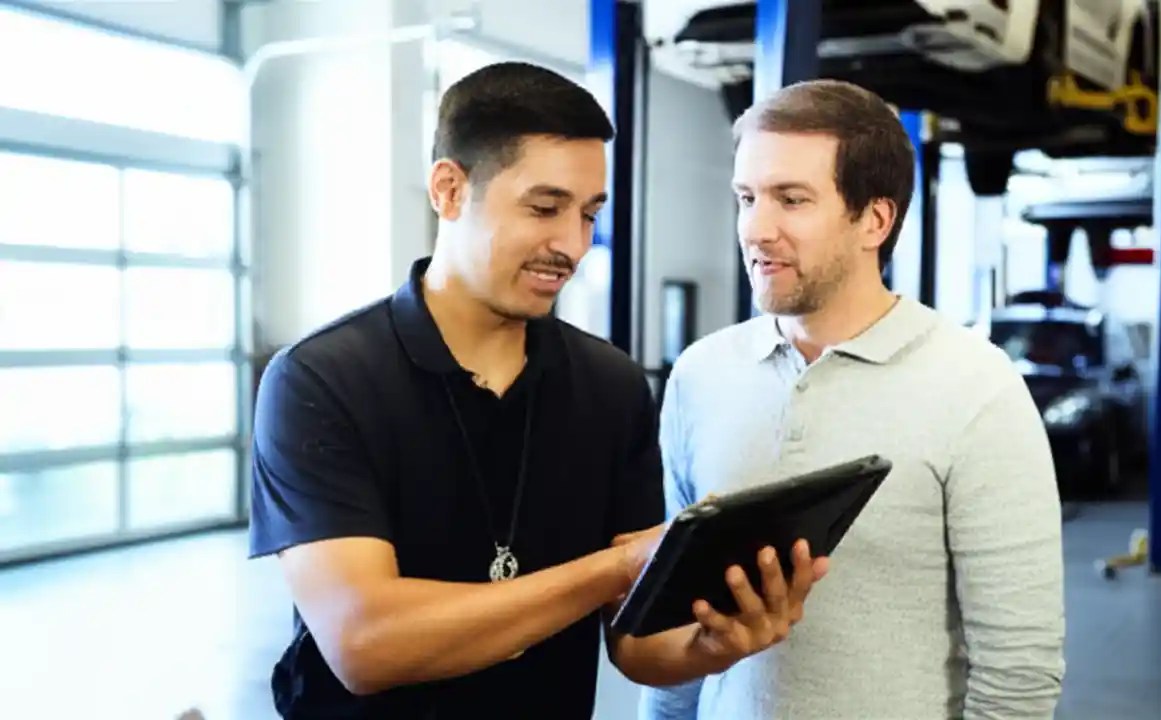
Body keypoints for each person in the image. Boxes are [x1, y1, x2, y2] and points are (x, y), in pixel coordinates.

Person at [248, 61, 828, 719]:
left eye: (588, 214)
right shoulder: (322, 380)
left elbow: (636, 644)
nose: (572, 244)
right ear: (449, 189)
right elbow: (366, 645)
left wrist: (719, 640)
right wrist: (615, 568)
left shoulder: (611, 387)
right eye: (545, 207)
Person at [639, 79, 1066, 719]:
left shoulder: (976, 386)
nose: (756, 229)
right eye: (747, 197)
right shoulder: (702, 375)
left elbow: (1018, 673)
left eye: (792, 199)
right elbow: (670, 625)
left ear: (875, 219)